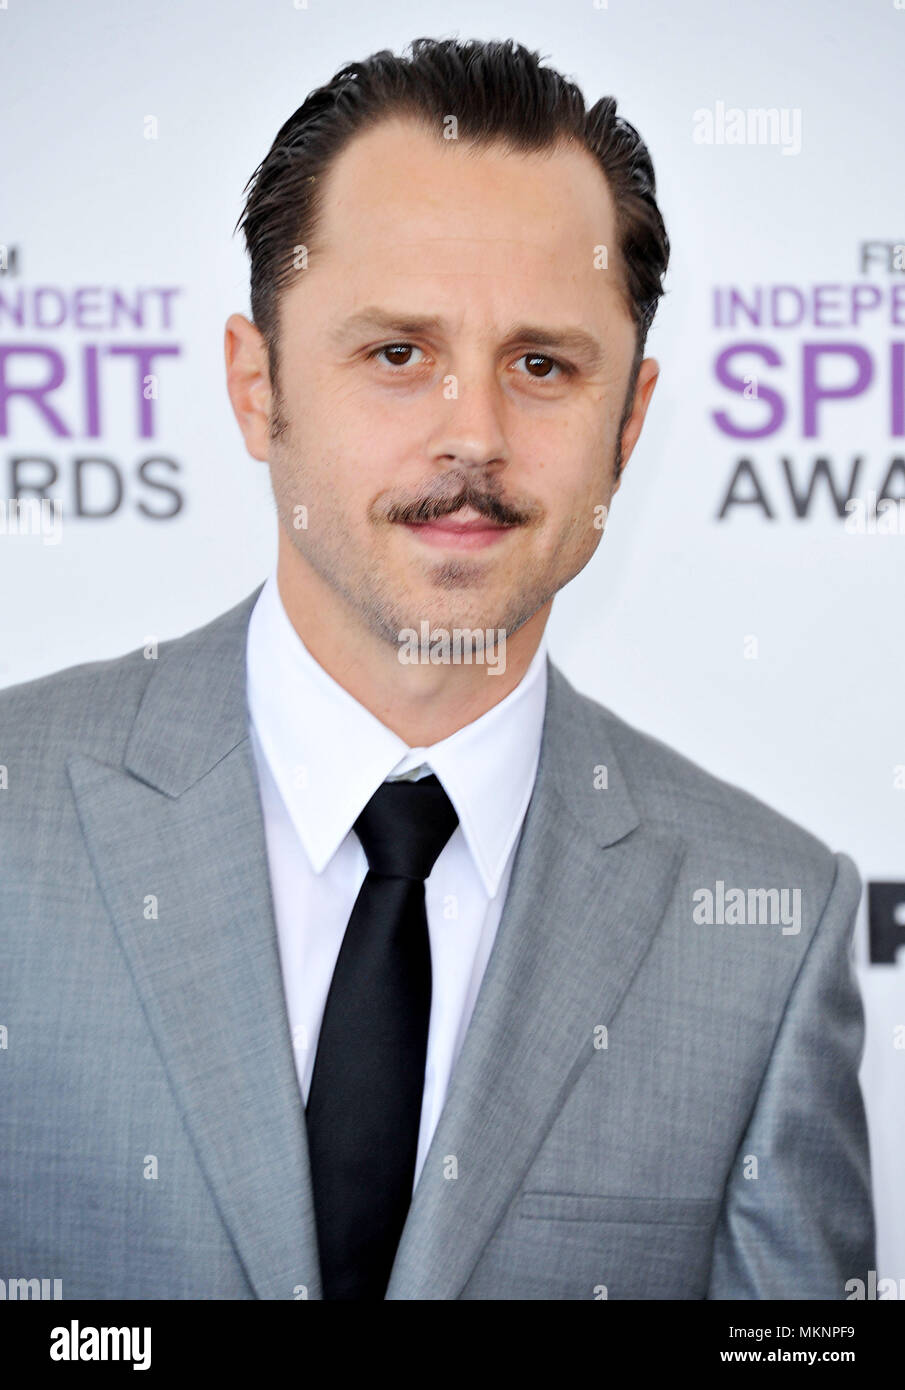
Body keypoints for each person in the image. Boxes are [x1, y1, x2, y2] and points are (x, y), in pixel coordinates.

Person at [0, 37, 874, 1300]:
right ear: (257, 388)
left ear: (627, 427)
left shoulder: (771, 930)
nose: (473, 431)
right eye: (398, 353)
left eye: (541, 365)